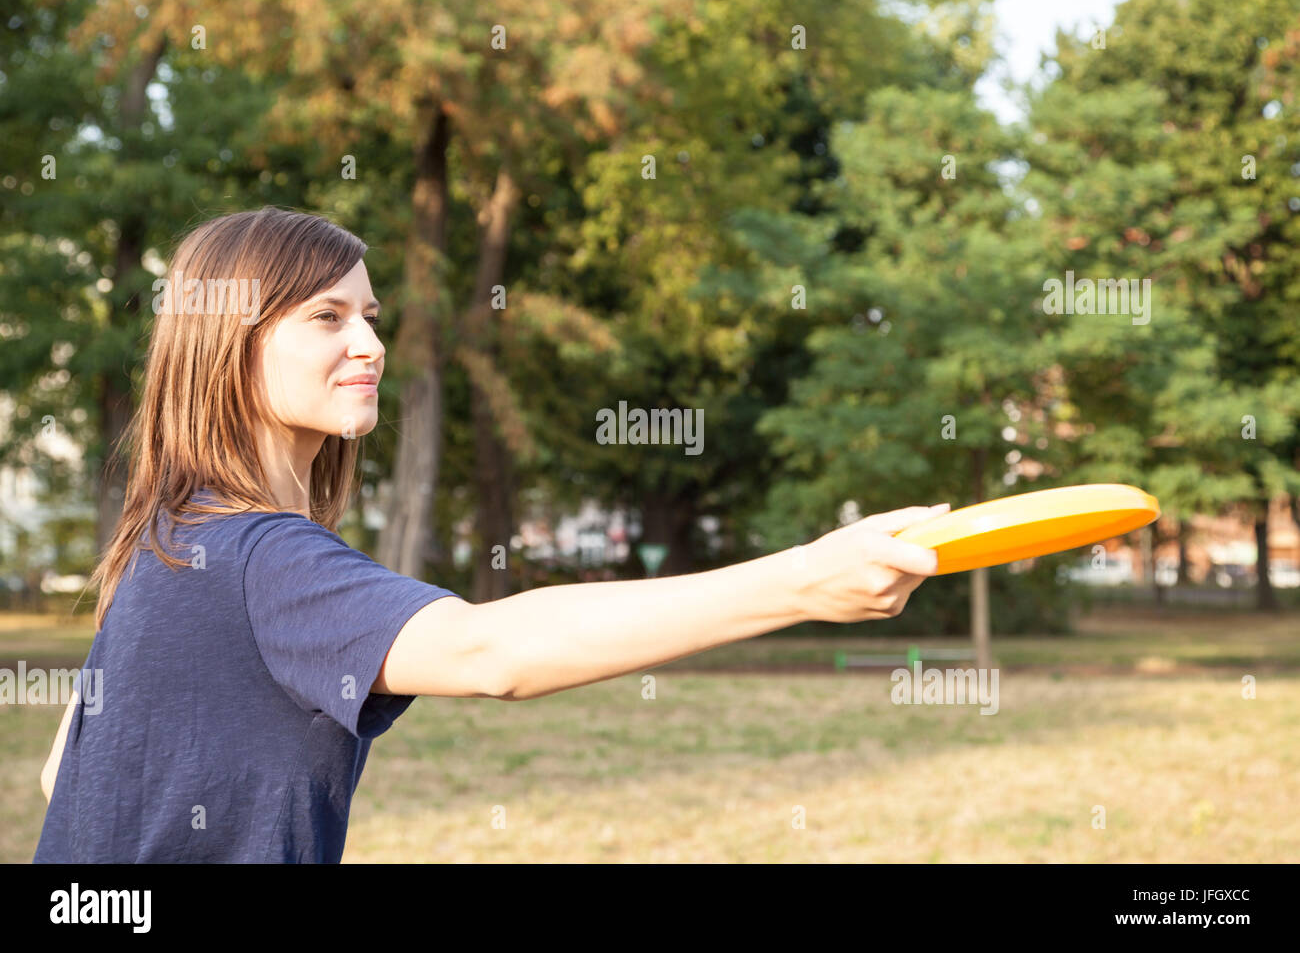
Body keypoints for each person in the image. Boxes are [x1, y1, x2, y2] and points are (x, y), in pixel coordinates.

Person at [33, 206, 947, 863]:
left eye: (371, 316)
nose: (370, 343)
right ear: (225, 345)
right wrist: (804, 584)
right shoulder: (259, 556)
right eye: (326, 316)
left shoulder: (164, 535)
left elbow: (57, 774)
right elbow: (490, 650)